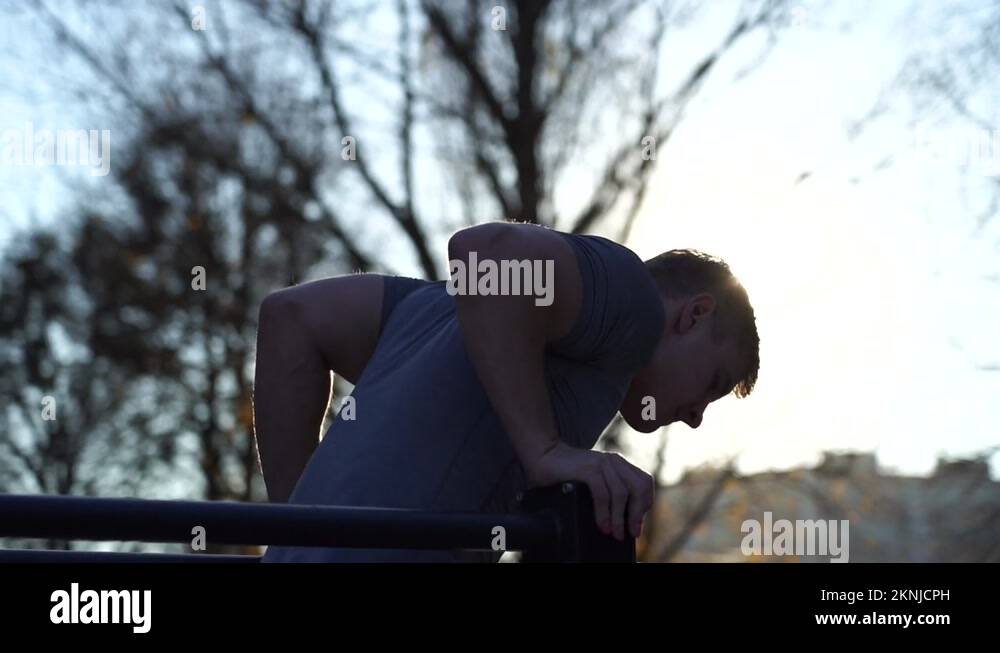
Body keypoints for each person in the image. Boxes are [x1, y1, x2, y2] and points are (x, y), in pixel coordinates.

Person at [254, 221, 759, 562]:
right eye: (712, 385)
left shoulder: (436, 314)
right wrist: (544, 452)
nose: (696, 418)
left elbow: (290, 318)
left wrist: (302, 529)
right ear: (694, 315)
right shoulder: (635, 300)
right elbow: (486, 253)